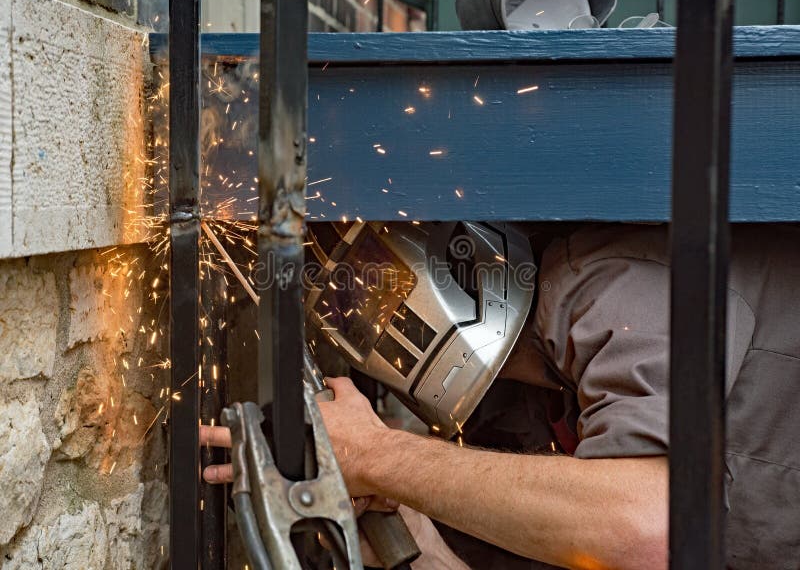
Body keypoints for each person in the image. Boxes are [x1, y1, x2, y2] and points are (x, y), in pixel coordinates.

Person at [202, 223, 800, 569]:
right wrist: (408, 521)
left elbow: (654, 529)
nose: (374, 327)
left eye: (376, 291)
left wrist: (374, 457)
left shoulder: (608, 276)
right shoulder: (513, 420)